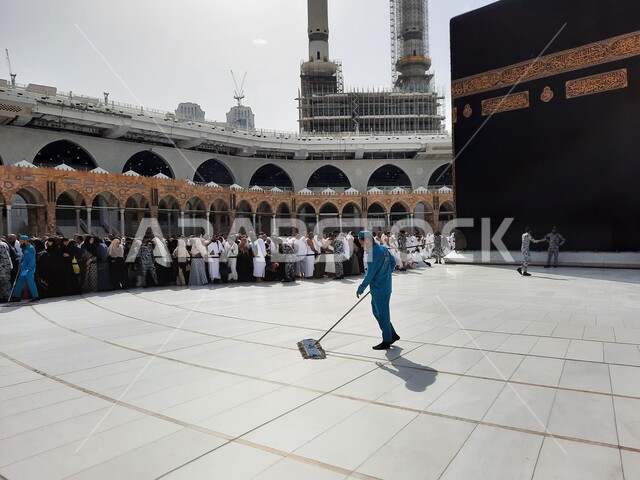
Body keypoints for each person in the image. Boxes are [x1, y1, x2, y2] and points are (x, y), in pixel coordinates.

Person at [356, 231, 398, 350]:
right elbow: (393, 262)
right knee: (377, 311)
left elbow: (369, 275)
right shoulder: (382, 248)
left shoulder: (372, 253)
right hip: (384, 286)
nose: (361, 245)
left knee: (382, 313)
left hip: (380, 289)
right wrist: (385, 274)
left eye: (361, 242)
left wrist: (361, 288)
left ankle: (387, 340)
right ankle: (392, 334)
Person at [9, 236, 40, 303]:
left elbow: (32, 260)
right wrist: (20, 261)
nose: (19, 242)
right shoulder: (24, 247)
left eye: (21, 241)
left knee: (30, 282)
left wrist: (29, 268)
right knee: (20, 281)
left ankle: (36, 296)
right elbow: (23, 256)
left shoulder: (30, 248)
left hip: (29, 268)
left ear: (25, 240)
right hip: (24, 268)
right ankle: (16, 296)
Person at [0, 238, 13, 302]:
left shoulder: (0, 245)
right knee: (6, 281)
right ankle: (6, 296)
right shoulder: (4, 243)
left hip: (2, 266)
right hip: (7, 264)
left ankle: (6, 297)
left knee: (4, 282)